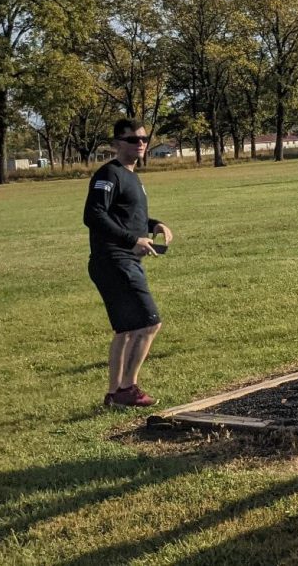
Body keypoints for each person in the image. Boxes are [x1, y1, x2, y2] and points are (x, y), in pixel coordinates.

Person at [84, 118, 173, 408]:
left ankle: (114, 394)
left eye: (144, 139)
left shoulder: (132, 176)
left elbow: (126, 216)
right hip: (114, 260)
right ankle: (128, 388)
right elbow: (94, 215)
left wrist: (153, 224)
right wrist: (131, 241)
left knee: (125, 329)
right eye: (133, 140)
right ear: (116, 143)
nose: (141, 144)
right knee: (149, 323)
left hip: (121, 258)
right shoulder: (108, 175)